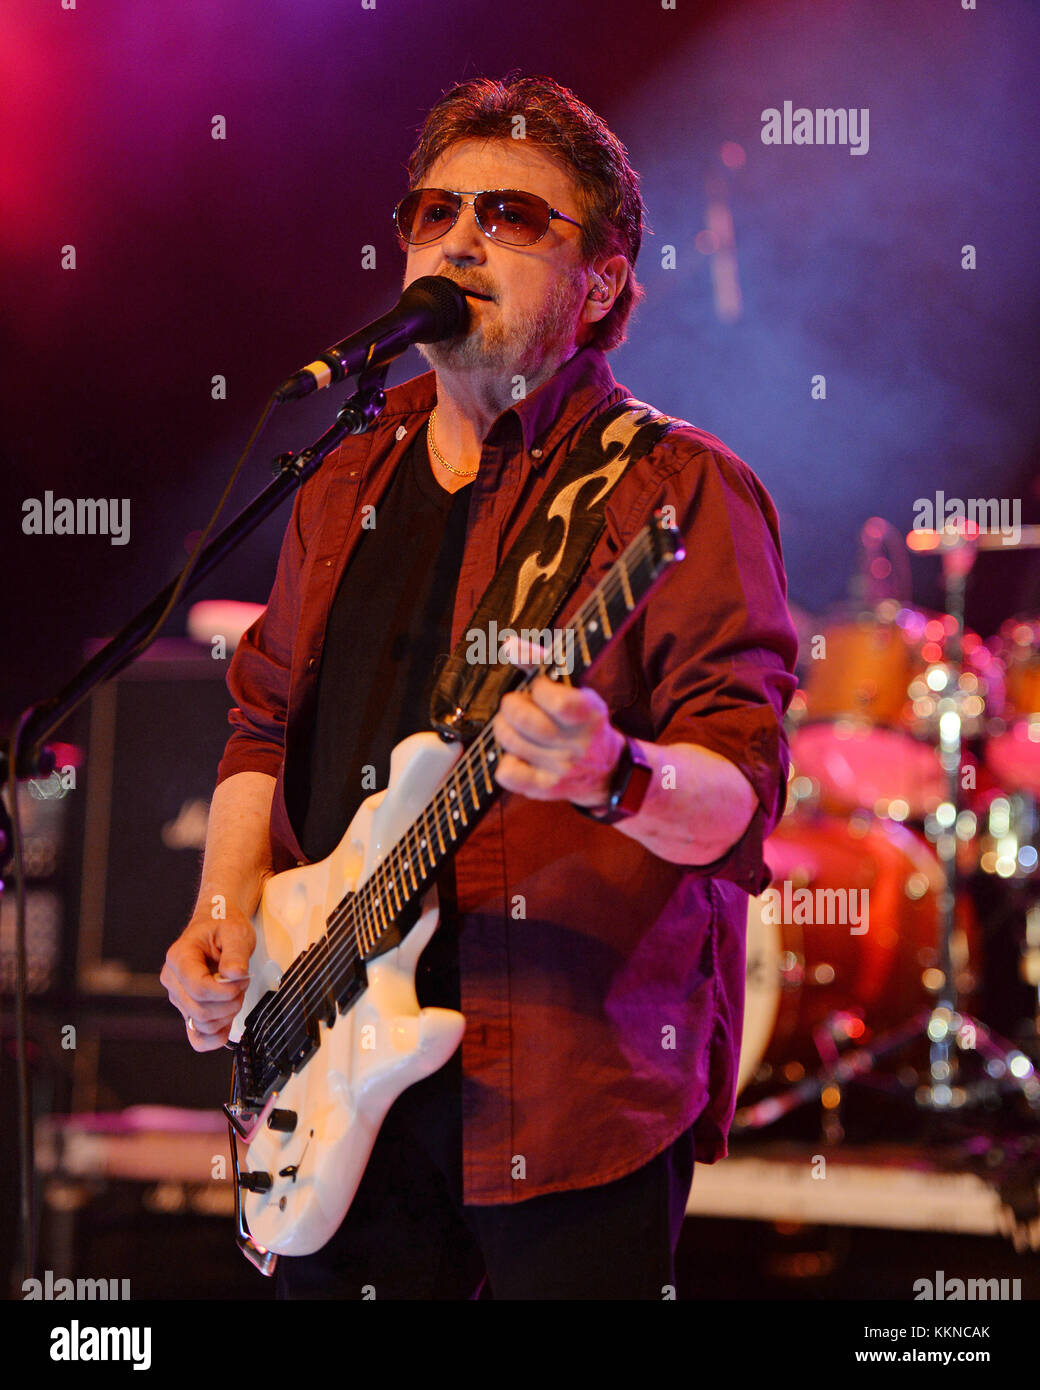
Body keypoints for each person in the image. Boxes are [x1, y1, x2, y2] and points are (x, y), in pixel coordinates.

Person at [160, 72, 798, 1299]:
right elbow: (258, 721)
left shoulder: (673, 489)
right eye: (433, 209)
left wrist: (613, 774)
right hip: (333, 1088)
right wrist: (223, 916)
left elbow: (737, 808)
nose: (458, 235)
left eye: (510, 214)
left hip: (562, 1104)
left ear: (602, 279)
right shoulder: (342, 478)